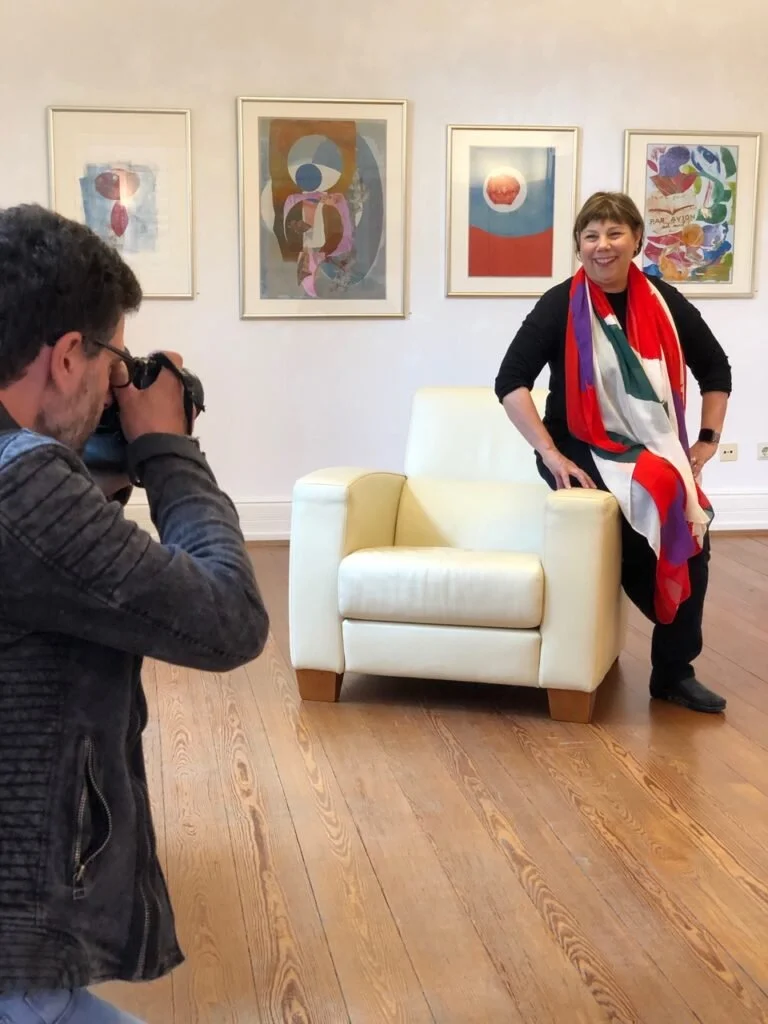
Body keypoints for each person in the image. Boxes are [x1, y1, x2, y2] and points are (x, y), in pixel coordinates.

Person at [0, 204, 270, 1022]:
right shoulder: (26, 490)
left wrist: (110, 453)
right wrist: (169, 447)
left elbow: (63, 567)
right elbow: (229, 619)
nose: (120, 380)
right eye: (113, 356)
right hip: (18, 931)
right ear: (69, 354)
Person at [495, 191, 732, 714]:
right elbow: (510, 381)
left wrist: (707, 443)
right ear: (579, 246)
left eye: (614, 233)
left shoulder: (665, 302)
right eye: (591, 236)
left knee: (693, 522)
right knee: (643, 512)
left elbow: (716, 369)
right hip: (576, 442)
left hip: (652, 442)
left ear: (637, 241)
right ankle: (633, 632)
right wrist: (551, 456)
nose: (603, 246)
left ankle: (673, 671)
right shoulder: (561, 303)